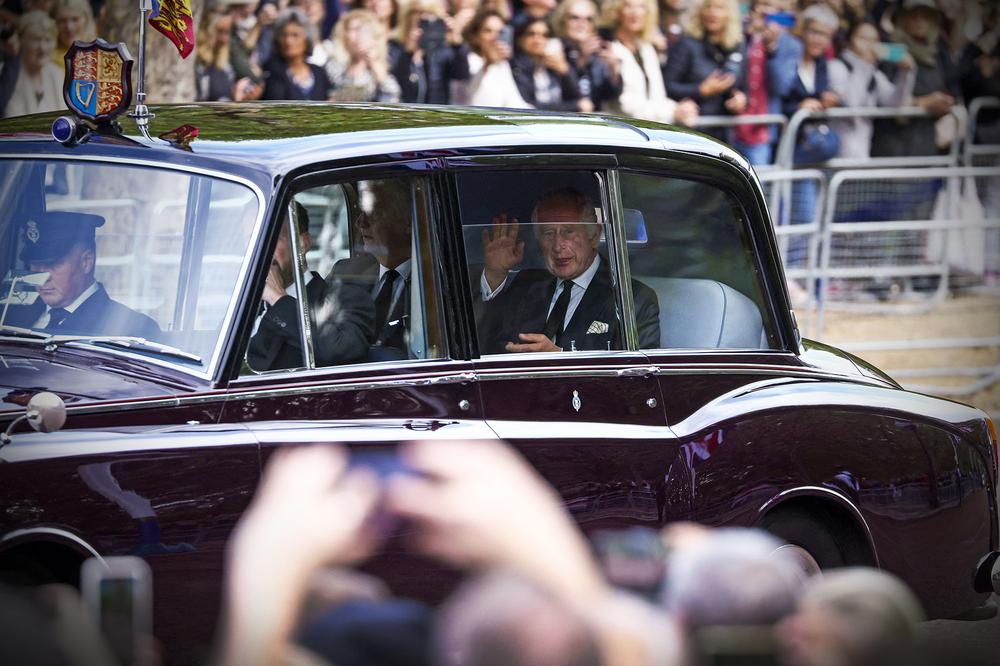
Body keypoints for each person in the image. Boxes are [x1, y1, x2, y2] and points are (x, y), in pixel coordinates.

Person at [476, 187, 660, 354]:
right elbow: (482, 343)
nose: (557, 246)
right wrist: (495, 273)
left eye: (568, 232)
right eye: (548, 233)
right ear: (538, 241)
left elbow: (637, 379)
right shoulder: (526, 283)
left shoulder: (633, 298)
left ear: (594, 236)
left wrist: (560, 358)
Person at [247, 202, 374, 371]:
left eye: (269, 240)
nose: (257, 253)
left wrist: (279, 299)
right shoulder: (243, 308)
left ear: (302, 244)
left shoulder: (344, 297)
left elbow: (340, 351)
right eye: (248, 242)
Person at [3, 212, 160, 339]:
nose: (42, 276)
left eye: (54, 264)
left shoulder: (133, 330)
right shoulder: (8, 317)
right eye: (35, 264)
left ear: (86, 261)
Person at [598, 0, 698, 125]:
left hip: (650, 131)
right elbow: (626, 106)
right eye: (628, 6)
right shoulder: (608, 49)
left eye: (641, 6)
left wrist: (681, 108)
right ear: (617, 11)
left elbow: (658, 96)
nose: (635, 13)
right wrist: (672, 112)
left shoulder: (646, 47)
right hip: (621, 131)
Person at [827, 19, 916, 159]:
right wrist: (863, 65)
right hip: (834, 156)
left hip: (861, 155)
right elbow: (851, 102)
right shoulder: (836, 67)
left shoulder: (874, 74)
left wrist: (906, 72)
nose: (869, 45)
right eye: (863, 38)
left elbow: (895, 103)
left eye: (874, 40)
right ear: (848, 42)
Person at [663, 0, 747, 138]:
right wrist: (701, 90)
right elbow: (667, 86)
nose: (712, 12)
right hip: (689, 132)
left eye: (719, 8)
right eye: (708, 7)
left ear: (730, 14)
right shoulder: (687, 44)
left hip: (723, 132)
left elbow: (743, 86)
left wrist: (741, 99)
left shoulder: (738, 45)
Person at [388, 0, 470, 104]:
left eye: (430, 13)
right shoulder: (395, 45)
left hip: (435, 115)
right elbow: (393, 81)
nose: (423, 17)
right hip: (405, 115)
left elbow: (461, 75)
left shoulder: (441, 50)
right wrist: (408, 52)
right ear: (407, 15)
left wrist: (457, 43)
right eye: (418, 12)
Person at [551, 0, 622, 113]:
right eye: (575, 18)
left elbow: (609, 96)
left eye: (588, 19)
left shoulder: (596, 55)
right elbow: (566, 96)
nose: (581, 24)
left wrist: (613, 69)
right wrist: (581, 61)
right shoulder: (554, 48)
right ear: (562, 20)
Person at [453, 9, 531, 107]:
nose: (495, 36)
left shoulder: (503, 64)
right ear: (475, 35)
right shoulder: (465, 58)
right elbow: (465, 94)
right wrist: (487, 64)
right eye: (488, 31)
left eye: (500, 32)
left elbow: (514, 100)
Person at [324, 9, 401, 102]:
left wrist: (373, 62)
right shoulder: (335, 64)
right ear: (344, 34)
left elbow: (392, 97)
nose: (361, 35)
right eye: (355, 29)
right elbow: (341, 96)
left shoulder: (384, 63)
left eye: (364, 30)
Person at [510, 16, 584, 111]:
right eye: (531, 34)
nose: (537, 39)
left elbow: (579, 98)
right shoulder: (515, 68)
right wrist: (574, 106)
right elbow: (528, 105)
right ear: (520, 39)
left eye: (544, 35)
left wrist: (565, 72)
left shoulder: (553, 66)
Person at [262, 8, 332, 101]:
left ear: (307, 39)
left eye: (295, 35)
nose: (288, 41)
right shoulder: (270, 72)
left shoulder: (318, 73)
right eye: (284, 35)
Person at [3, 11, 62, 118]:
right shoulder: (5, 74)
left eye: (48, 40)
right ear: (21, 40)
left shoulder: (57, 73)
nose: (43, 48)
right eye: (36, 40)